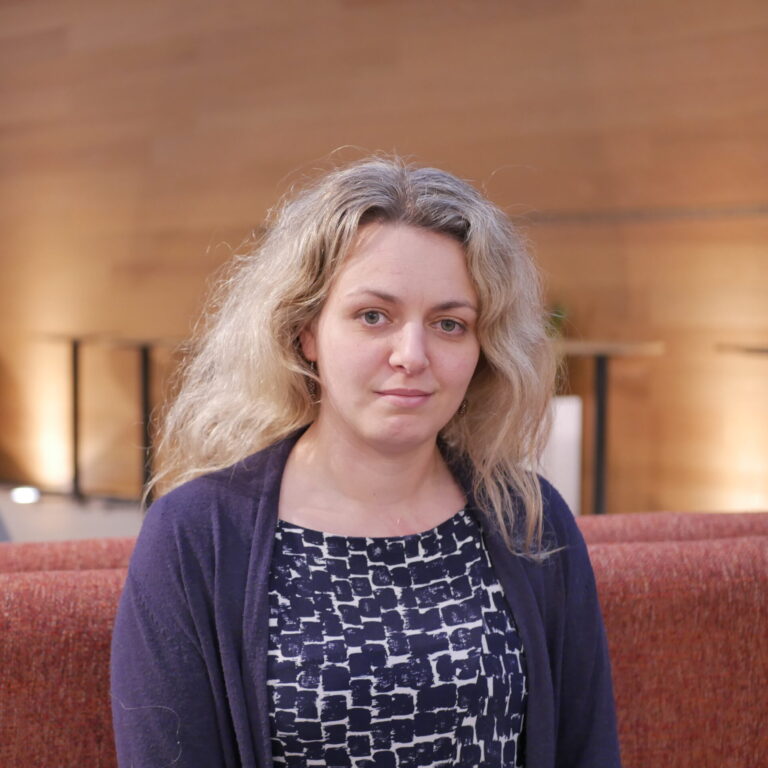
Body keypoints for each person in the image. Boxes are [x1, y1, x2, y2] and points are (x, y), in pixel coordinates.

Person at [110, 155, 622, 768]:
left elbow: (586, 749)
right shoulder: (196, 535)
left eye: (450, 324)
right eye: (373, 316)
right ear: (306, 332)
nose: (412, 354)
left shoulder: (529, 519)